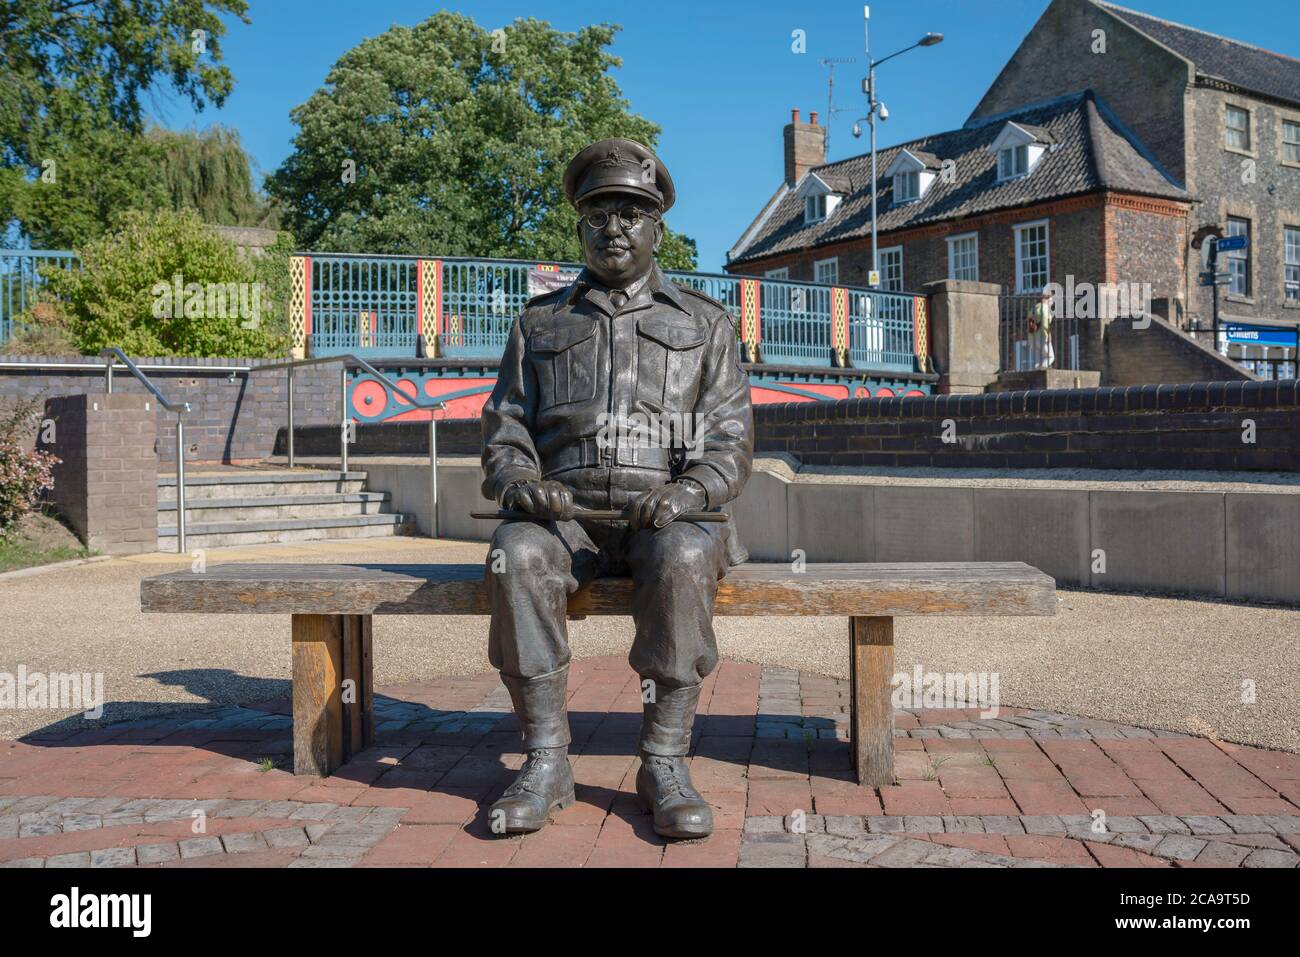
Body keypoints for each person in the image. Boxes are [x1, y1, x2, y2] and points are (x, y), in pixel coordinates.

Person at [479, 138, 754, 839]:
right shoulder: (539, 323)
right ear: (580, 228)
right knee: (515, 554)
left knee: (684, 559)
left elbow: (729, 439)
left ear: (658, 227)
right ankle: (545, 760)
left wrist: (689, 493)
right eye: (600, 213)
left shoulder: (704, 322)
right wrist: (520, 485)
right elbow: (505, 427)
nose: (616, 227)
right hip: (564, 517)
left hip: (667, 514)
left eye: (632, 212)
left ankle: (663, 760)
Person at [1027, 288, 1055, 370]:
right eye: (1052, 299)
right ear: (1048, 298)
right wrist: (1048, 335)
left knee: (1037, 361)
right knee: (1050, 357)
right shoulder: (1045, 308)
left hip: (1033, 337)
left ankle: (1036, 377)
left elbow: (1030, 324)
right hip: (1043, 336)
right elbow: (1045, 323)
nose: (1052, 302)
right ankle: (1043, 370)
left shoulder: (1033, 309)